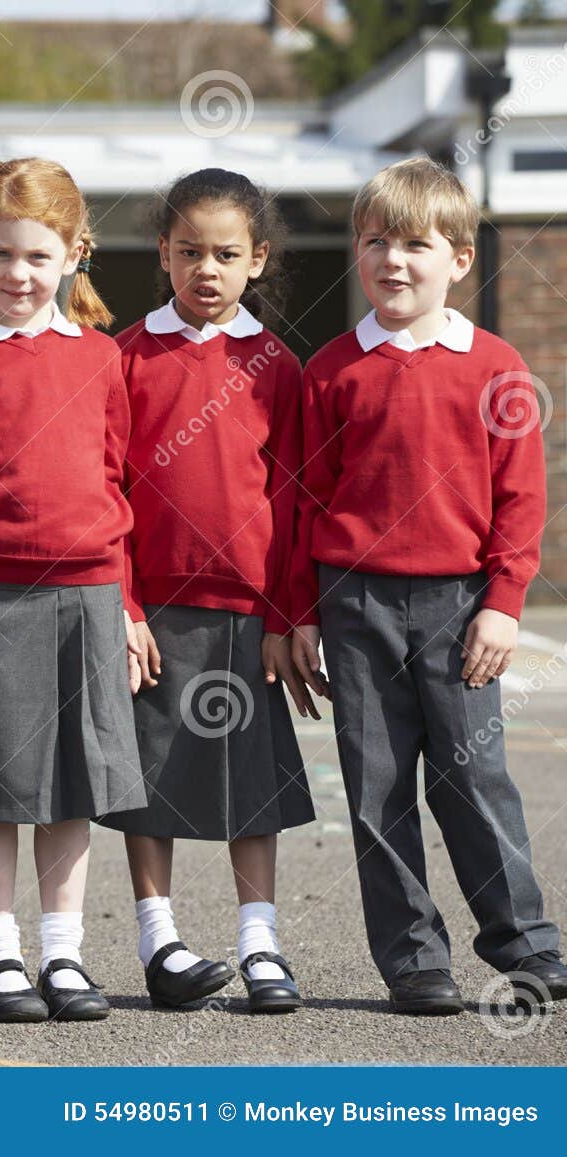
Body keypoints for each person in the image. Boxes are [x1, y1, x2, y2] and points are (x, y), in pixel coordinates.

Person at [291, 156, 567, 1014]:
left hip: (459, 608)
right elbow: (302, 499)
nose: (393, 260)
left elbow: (521, 498)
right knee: (376, 791)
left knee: (475, 782)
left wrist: (504, 602)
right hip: (354, 601)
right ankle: (414, 961)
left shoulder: (495, 365)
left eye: (416, 243)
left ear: (459, 259)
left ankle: (526, 942)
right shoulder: (331, 369)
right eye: (376, 241)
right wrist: (298, 610)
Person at [0, 157, 145, 1023]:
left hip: (89, 597)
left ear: (75, 255)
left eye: (38, 258)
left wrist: (125, 608)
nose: (19, 275)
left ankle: (63, 953)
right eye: (2, 255)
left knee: (73, 786)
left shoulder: (99, 356)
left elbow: (117, 483)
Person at [101, 168, 315, 1014]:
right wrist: (123, 607)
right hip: (153, 613)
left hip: (248, 615)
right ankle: (160, 941)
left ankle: (259, 942)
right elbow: (105, 490)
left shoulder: (277, 365)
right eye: (189, 251)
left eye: (226, 254)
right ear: (162, 251)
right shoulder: (123, 356)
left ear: (256, 259)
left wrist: (287, 614)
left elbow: (296, 500)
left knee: (248, 783)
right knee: (147, 781)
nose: (206, 269)